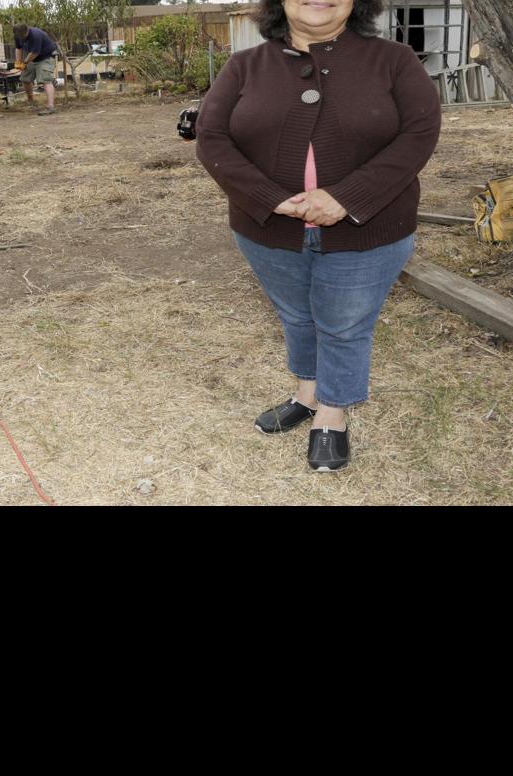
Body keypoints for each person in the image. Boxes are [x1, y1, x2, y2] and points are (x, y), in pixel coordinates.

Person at [195, 0, 440, 472]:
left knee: (344, 324)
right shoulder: (245, 65)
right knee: (296, 314)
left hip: (369, 228)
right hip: (267, 228)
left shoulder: (395, 60)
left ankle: (332, 413)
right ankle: (307, 393)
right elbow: (211, 136)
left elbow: (419, 133)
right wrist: (267, 196)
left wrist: (348, 196)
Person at [13, 24, 58, 115]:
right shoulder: (18, 35)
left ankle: (50, 107)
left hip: (46, 57)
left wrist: (24, 63)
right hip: (33, 58)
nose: (21, 38)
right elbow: (18, 48)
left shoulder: (35, 35)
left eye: (23, 36)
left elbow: (34, 53)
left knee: (46, 80)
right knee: (25, 79)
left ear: (27, 31)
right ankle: (31, 102)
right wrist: (18, 62)